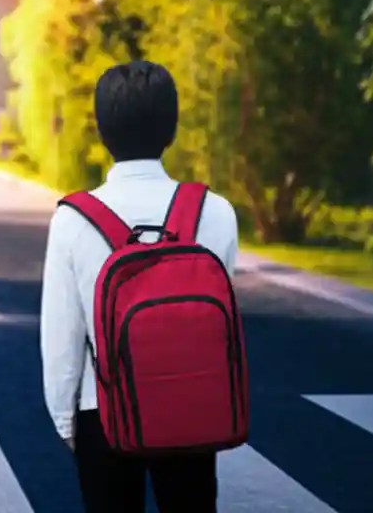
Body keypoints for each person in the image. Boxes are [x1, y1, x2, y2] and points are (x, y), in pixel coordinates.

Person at [39, 60, 239, 513]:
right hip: (192, 406)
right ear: (171, 127)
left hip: (103, 411)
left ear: (102, 130)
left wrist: (68, 423)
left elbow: (62, 337)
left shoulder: (73, 219)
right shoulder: (217, 211)